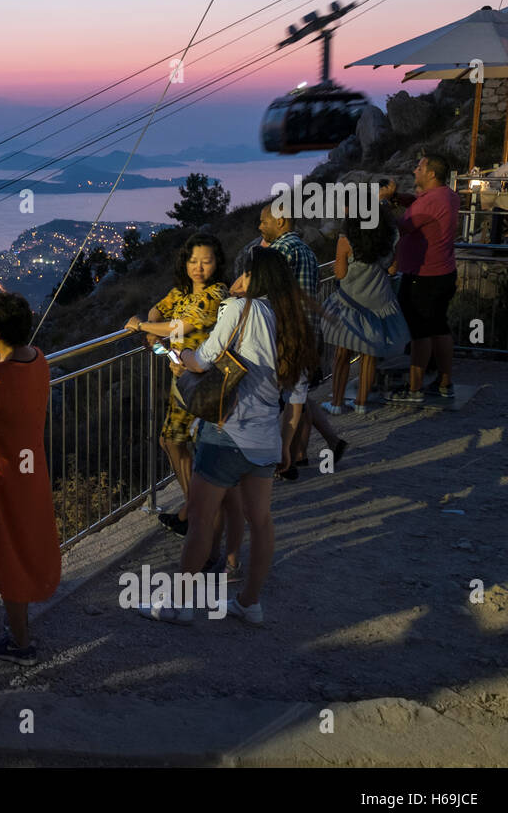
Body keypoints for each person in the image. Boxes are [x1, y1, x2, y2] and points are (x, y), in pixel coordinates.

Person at [140, 249, 319, 625]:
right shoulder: (294, 322)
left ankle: (180, 604)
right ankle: (250, 602)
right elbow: (297, 400)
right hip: (267, 438)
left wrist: (182, 356)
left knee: (202, 521)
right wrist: (285, 445)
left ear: (252, 276)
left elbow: (204, 360)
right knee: (262, 521)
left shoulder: (241, 309)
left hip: (226, 433)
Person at [0, 292, 58, 666]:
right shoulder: (38, 360)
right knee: (24, 545)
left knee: (10, 556)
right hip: (31, 469)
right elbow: (6, 368)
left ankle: (21, 645)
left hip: (3, 477)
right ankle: (19, 631)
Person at [124, 233, 228, 538]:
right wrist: (154, 327)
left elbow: (180, 326)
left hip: (204, 381)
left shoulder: (215, 293)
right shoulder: (181, 292)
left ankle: (199, 515)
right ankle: (195, 511)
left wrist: (142, 326)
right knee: (173, 440)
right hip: (183, 382)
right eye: (193, 260)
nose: (198, 267)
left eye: (206, 261)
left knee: (181, 442)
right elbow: (160, 310)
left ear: (217, 263)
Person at [257, 203, 347, 476]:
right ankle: (307, 451)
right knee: (299, 393)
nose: (260, 226)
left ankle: (286, 460)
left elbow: (261, 288)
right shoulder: (306, 250)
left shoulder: (281, 250)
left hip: (286, 331)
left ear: (281, 221)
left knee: (286, 397)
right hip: (308, 330)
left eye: (264, 221)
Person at [382, 154, 460, 403]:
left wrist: (382, 202)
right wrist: (398, 198)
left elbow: (398, 226)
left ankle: (414, 390)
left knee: (420, 333)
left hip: (423, 276)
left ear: (431, 174)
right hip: (444, 272)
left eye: (419, 167)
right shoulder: (446, 195)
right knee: (439, 327)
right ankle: (445, 383)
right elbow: (417, 203)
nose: (414, 170)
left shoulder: (429, 202)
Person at [321, 208, 410, 415]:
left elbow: (341, 273)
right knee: (369, 354)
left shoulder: (345, 241)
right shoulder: (389, 242)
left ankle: (336, 403)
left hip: (351, 303)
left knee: (342, 353)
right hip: (379, 302)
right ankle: (361, 403)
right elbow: (393, 270)